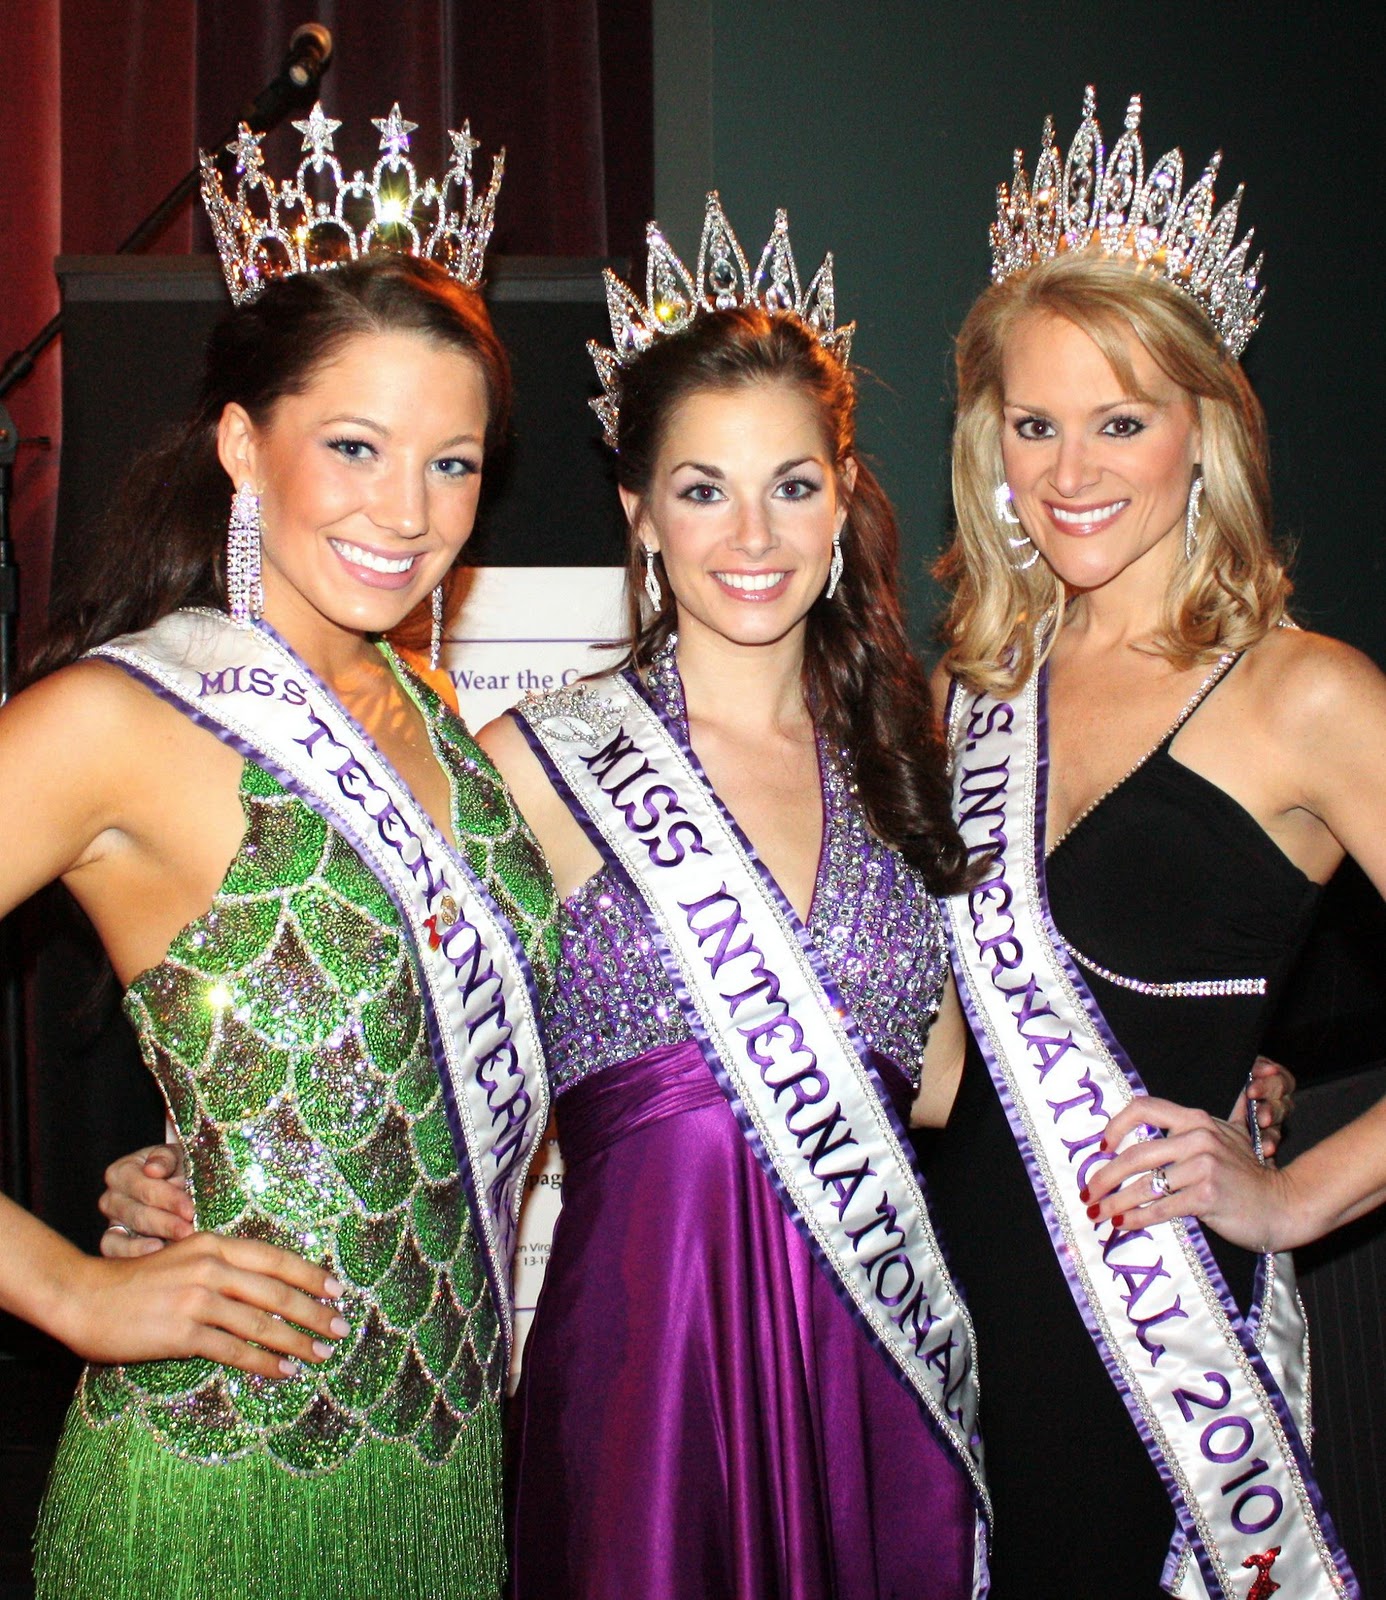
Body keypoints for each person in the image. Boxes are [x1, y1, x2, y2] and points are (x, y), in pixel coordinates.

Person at [3, 108, 557, 1598]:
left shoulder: (430, 712)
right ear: (246, 446)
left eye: (453, 463)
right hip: (217, 1481)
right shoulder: (117, 718)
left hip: (445, 1471)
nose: (408, 514)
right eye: (355, 448)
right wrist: (72, 1293)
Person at [482, 196, 988, 1597]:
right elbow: (417, 1063)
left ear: (843, 494)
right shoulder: (539, 764)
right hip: (644, 1377)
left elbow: (959, 1082)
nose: (751, 534)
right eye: (702, 489)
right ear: (639, 512)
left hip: (872, 1362)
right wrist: (205, 1168)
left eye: (791, 485)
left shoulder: (918, 759)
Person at [924, 88, 1381, 1596]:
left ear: (1207, 432)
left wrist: (1295, 1198)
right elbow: (935, 1052)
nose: (1071, 473)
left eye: (1121, 421)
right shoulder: (968, 690)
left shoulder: (1305, 693)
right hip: (954, 1304)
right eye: (1035, 423)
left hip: (1158, 1340)